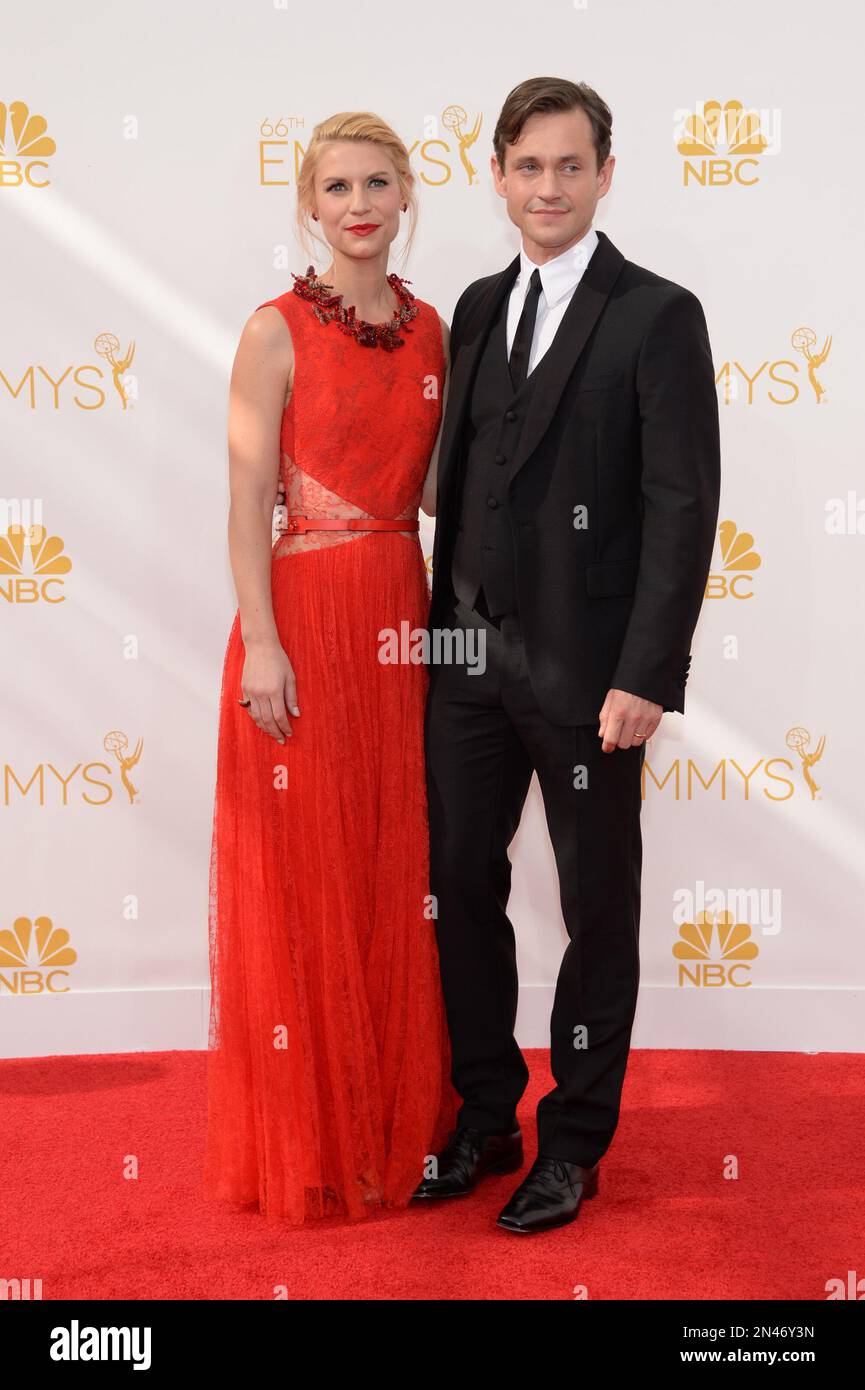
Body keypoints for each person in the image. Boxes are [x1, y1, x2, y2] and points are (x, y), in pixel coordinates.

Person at [416, 77, 721, 1233]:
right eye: (527, 166)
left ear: (604, 173)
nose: (548, 186)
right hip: (468, 670)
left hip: (595, 679)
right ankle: (486, 1113)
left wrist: (647, 671)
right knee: (460, 890)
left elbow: (681, 504)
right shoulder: (479, 305)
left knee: (596, 907)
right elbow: (463, 494)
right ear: (497, 176)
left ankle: (575, 1142)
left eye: (569, 165)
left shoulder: (657, 313)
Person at [203, 111, 458, 1225]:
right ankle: (317, 1138)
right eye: (338, 187)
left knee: (389, 870)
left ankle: (393, 1127)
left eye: (379, 184)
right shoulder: (272, 331)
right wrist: (260, 641)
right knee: (305, 880)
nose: (359, 205)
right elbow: (242, 505)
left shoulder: (434, 330)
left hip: (399, 618)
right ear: (308, 205)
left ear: (407, 198)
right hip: (302, 623)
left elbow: (444, 492)